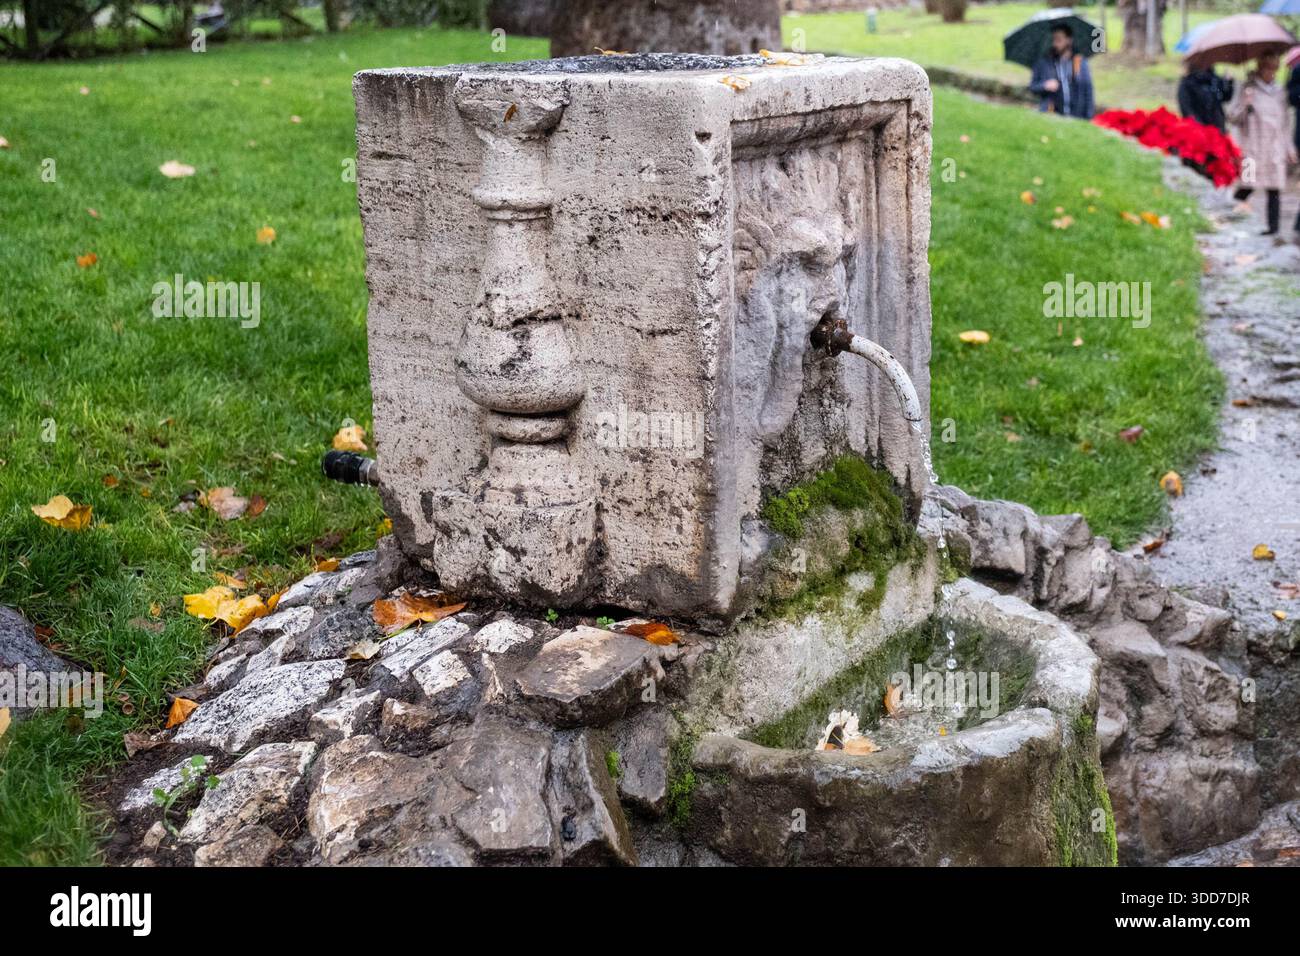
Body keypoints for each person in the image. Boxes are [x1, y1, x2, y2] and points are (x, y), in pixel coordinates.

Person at [1227, 53, 1298, 236]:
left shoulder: (1279, 91)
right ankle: (1229, 209)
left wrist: (1289, 148)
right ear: (1260, 68)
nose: (1271, 74)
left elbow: (1284, 122)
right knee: (1247, 183)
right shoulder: (1247, 89)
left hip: (1274, 147)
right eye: (1268, 69)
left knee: (1274, 188)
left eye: (1275, 70)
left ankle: (1273, 229)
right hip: (1252, 146)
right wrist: (1245, 103)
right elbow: (1233, 118)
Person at [1029, 24, 1095, 120]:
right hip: (1052, 116)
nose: (1055, 44)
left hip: (1077, 117)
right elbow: (1033, 87)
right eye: (1054, 40)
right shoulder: (1044, 63)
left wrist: (1089, 117)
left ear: (1069, 40)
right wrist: (1045, 85)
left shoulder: (1080, 62)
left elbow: (1088, 90)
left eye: (1059, 40)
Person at [1177, 64, 1234, 132]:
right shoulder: (1188, 83)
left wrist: (1228, 83)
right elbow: (1187, 109)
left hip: (1217, 128)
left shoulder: (1214, 79)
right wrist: (1200, 127)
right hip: (1198, 130)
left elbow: (1225, 97)